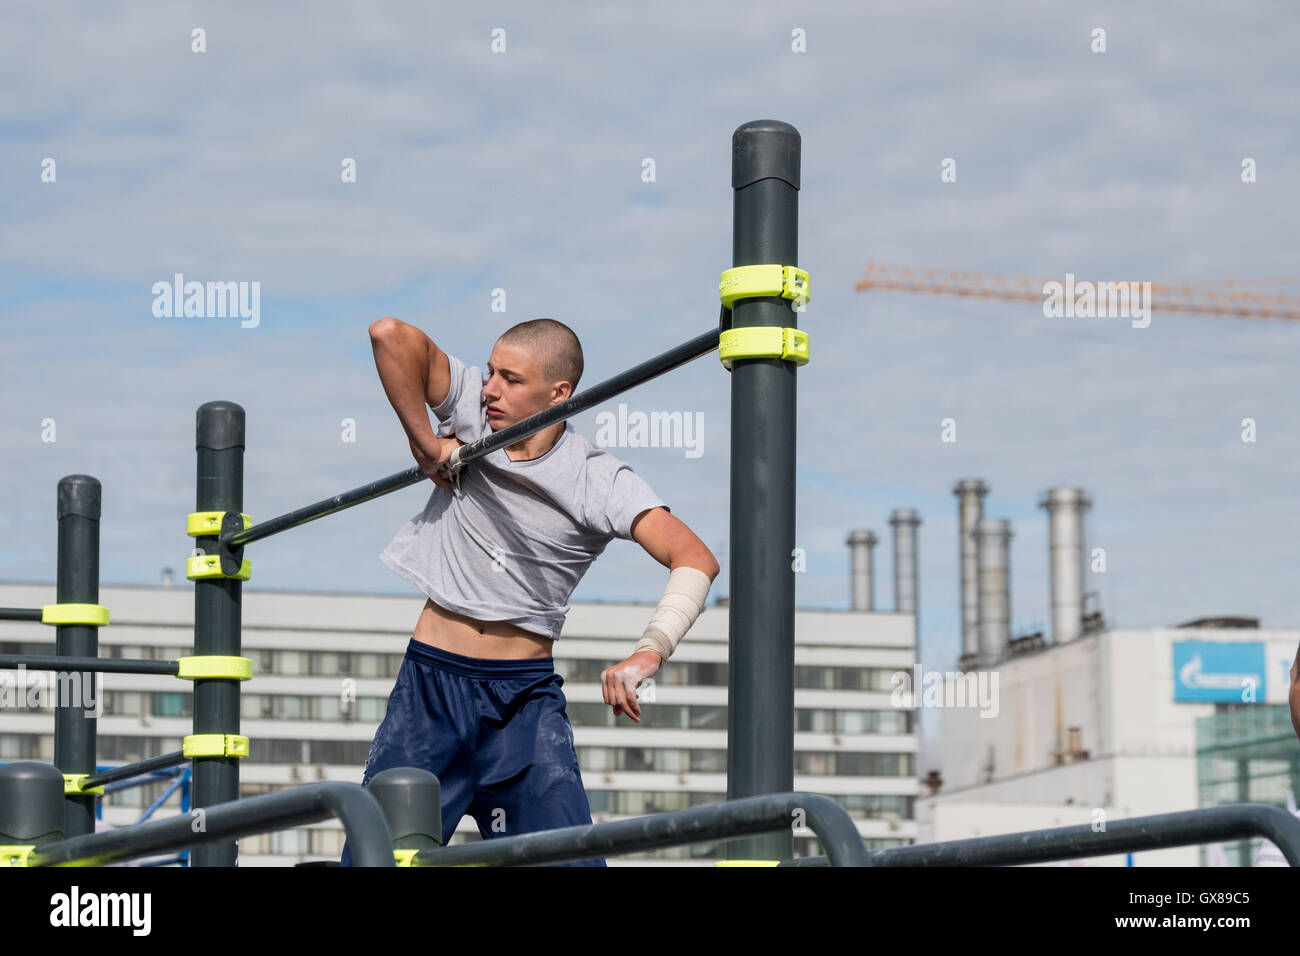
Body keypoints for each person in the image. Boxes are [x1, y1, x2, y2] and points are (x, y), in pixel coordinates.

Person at [339, 316, 719, 866]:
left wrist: (648, 651)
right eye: (491, 371)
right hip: (430, 691)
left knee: (571, 860)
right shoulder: (473, 408)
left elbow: (695, 559)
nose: (491, 387)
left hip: (522, 704)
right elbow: (387, 334)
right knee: (375, 859)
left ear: (557, 393)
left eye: (511, 379)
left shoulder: (598, 479)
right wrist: (426, 445)